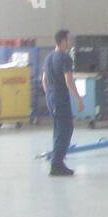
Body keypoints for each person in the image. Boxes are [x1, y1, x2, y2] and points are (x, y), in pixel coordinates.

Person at [42, 29, 83, 176]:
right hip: (61, 99)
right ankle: (56, 164)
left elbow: (43, 81)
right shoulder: (65, 58)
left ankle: (57, 160)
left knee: (58, 130)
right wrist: (78, 98)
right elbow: (69, 81)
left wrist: (49, 96)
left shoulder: (48, 57)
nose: (70, 42)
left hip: (52, 99)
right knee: (66, 130)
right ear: (63, 41)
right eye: (68, 39)